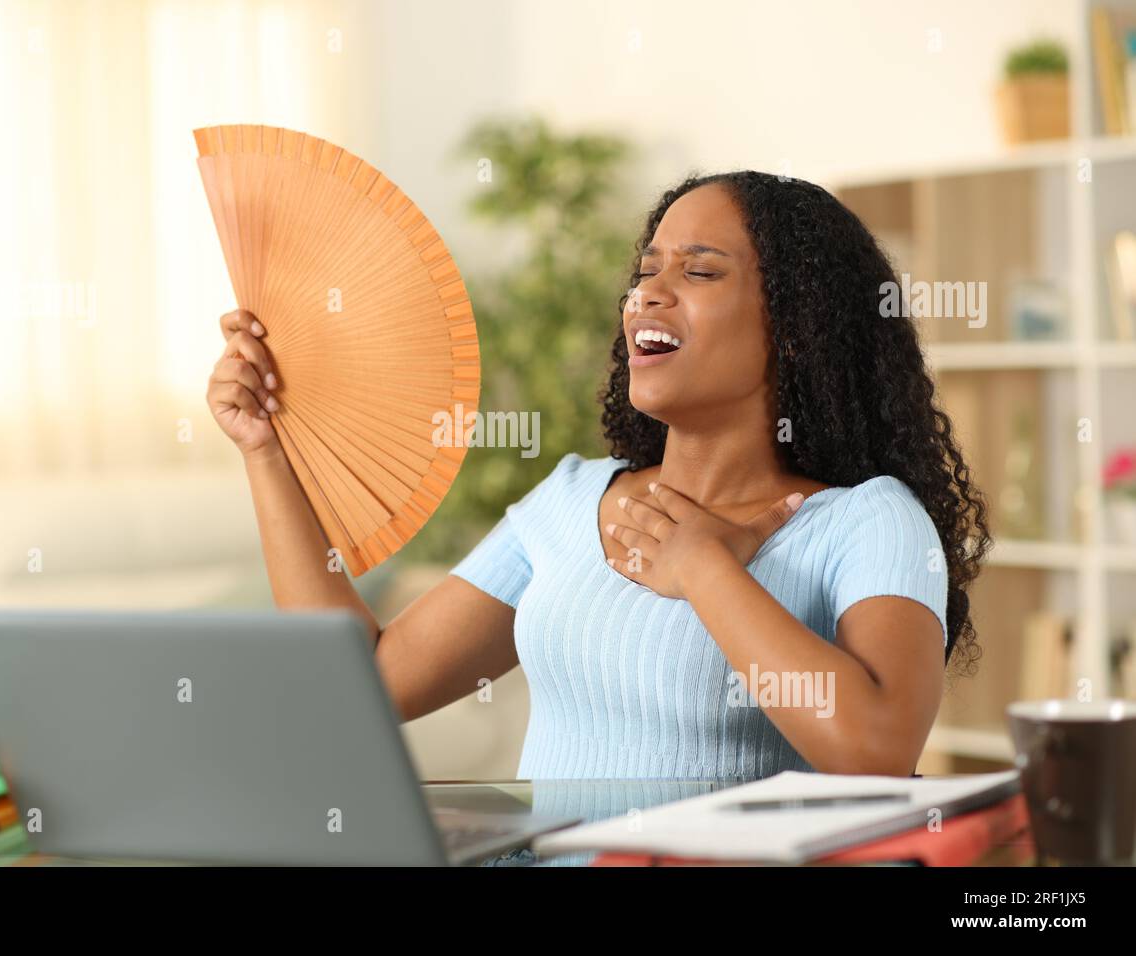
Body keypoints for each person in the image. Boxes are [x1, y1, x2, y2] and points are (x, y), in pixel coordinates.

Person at [205, 170, 991, 779]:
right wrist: (266, 450)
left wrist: (705, 570)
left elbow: (877, 751)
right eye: (647, 270)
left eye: (701, 273)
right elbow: (363, 686)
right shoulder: (574, 498)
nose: (648, 291)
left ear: (795, 327)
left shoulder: (868, 522)